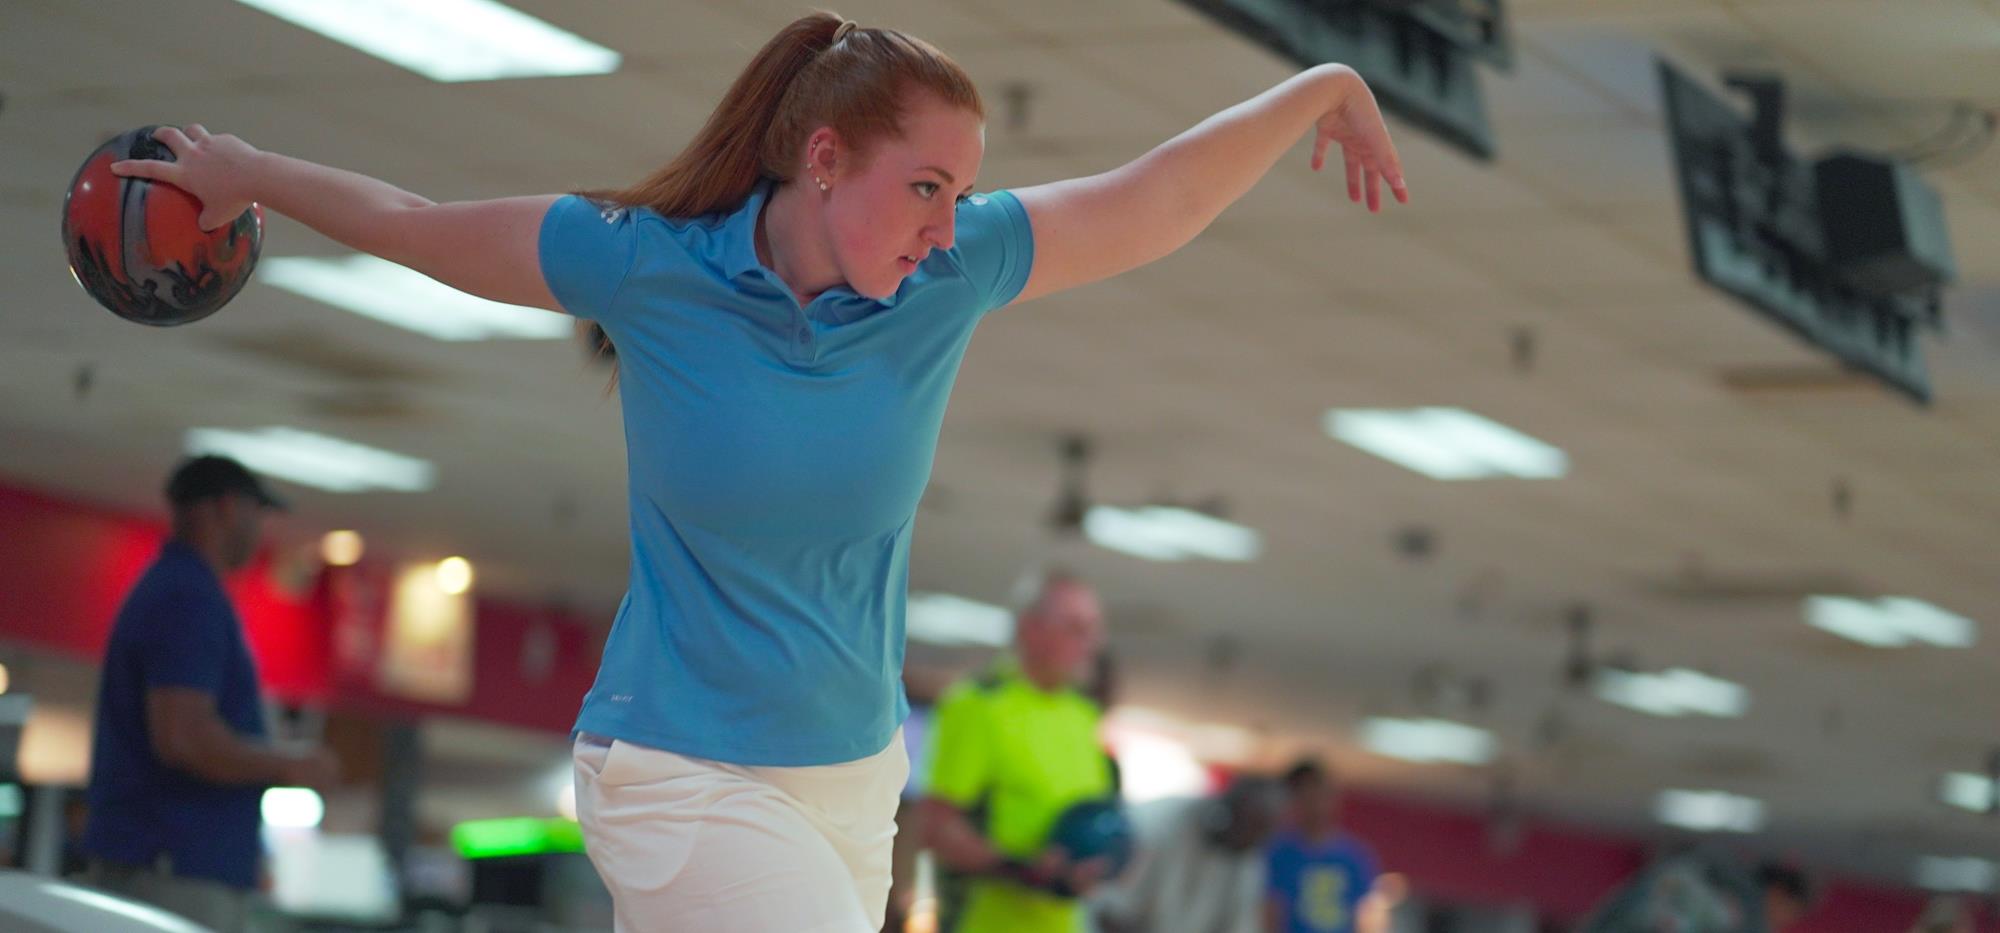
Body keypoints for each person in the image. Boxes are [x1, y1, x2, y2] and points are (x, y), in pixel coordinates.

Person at [110, 10, 1407, 930]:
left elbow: (1149, 200)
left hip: (851, 782)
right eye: (927, 188)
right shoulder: (649, 265)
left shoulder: (942, 284)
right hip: (682, 765)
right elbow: (419, 226)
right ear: (824, 159)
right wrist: (240, 176)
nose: (948, 227)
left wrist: (1324, 86)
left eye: (965, 194)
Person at [80, 455, 339, 933]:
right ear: (226, 507)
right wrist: (289, 764)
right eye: (256, 512)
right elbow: (183, 737)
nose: (261, 528)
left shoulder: (178, 589)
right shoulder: (187, 596)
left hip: (168, 866)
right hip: (172, 869)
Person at [919, 571, 1115, 933]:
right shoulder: (979, 704)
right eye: (1076, 628)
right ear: (1031, 629)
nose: (1091, 642)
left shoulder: (1082, 716)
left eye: (1093, 629)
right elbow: (938, 828)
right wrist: (1024, 870)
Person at [1097, 777, 1288, 933]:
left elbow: (1240, 924)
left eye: (1261, 832)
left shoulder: (1248, 860)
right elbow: (1108, 911)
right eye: (1248, 825)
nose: (1250, 837)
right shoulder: (1160, 822)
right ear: (1223, 814)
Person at [1265, 759, 1384, 933]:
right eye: (1308, 797)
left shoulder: (1356, 856)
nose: (1317, 805)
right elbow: (1271, 909)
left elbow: (1367, 913)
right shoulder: (1277, 852)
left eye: (1322, 795)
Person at [1578, 849, 1813, 933]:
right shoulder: (1737, 910)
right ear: (1777, 893)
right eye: (1789, 911)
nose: (1785, 921)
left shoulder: (1721, 872)